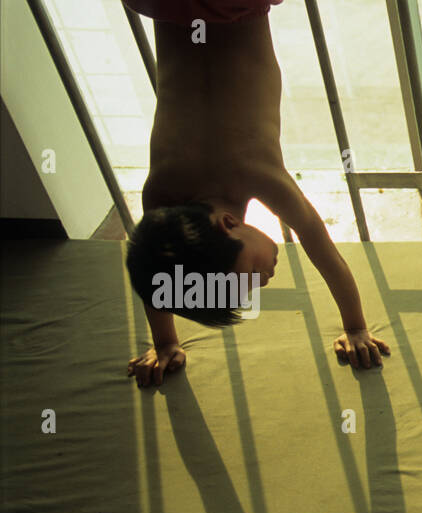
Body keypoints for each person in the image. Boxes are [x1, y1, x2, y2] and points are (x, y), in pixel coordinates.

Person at [124, 0, 388, 388]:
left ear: (230, 224)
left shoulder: (261, 177)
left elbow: (325, 255)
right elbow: (156, 266)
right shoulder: (162, 194)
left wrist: (356, 328)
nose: (262, 281)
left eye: (248, 275)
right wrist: (164, 342)